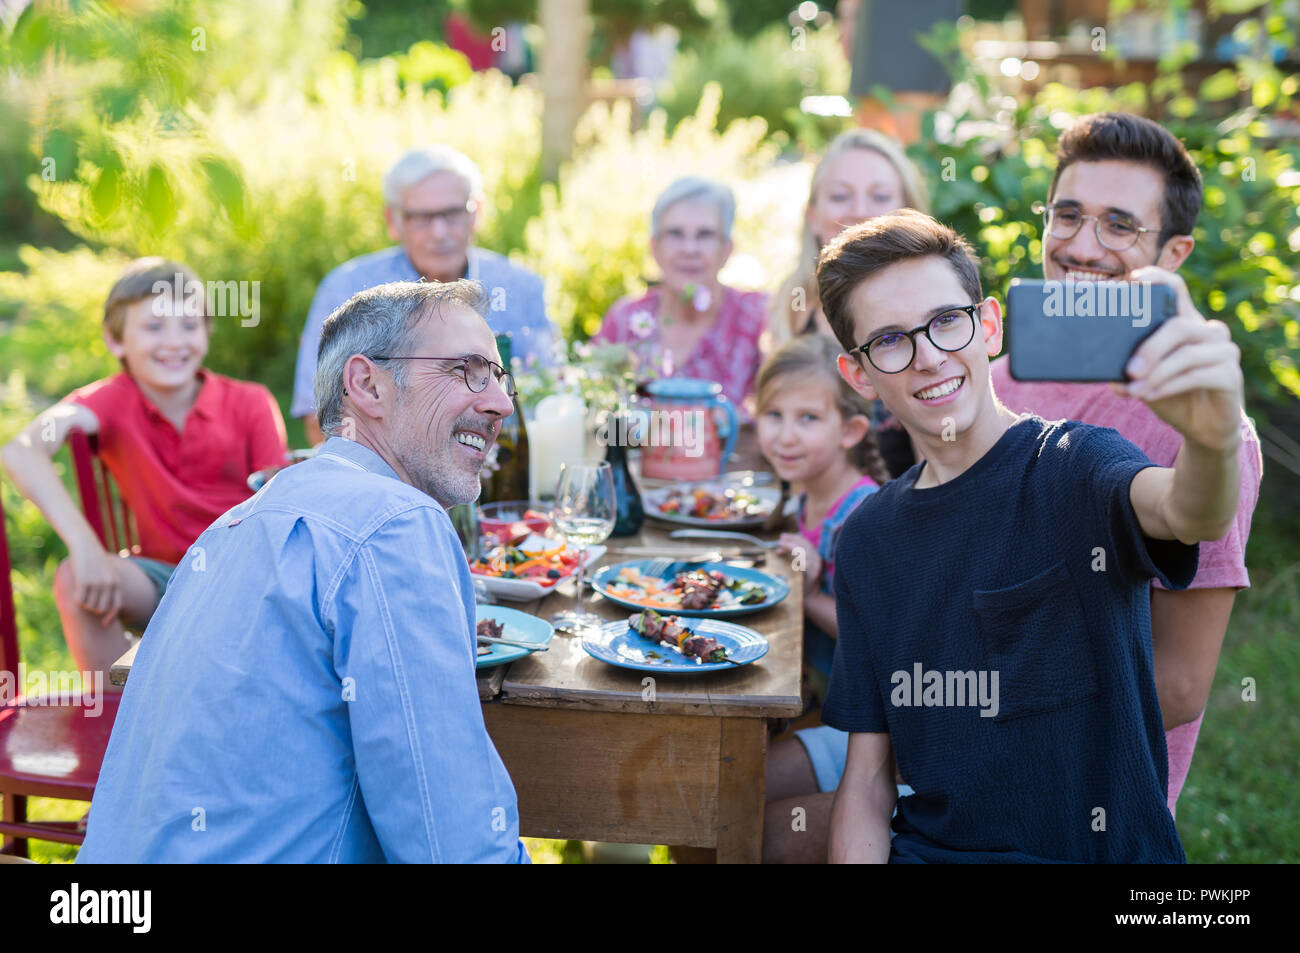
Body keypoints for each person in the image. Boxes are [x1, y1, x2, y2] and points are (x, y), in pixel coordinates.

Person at [819, 210, 1243, 862]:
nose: (929, 356)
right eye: (890, 341)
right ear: (858, 375)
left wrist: (1212, 441)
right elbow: (869, 781)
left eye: (945, 322)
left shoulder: (1076, 464)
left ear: (987, 325)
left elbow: (1189, 512)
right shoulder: (869, 538)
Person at [77, 280, 529, 863]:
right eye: (466, 371)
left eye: (498, 376)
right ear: (367, 384)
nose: (501, 402)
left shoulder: (236, 523)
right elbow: (451, 843)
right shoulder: (396, 521)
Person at [990, 112, 1264, 818]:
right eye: (1068, 215)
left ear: (1173, 254)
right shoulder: (996, 375)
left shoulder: (1209, 431)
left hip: (1078, 788)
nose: (1082, 246)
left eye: (1119, 226)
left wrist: (972, 704)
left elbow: (1177, 686)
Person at [1, 258, 288, 687]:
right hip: (164, 581)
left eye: (189, 326)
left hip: (247, 578)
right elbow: (21, 450)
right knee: (76, 579)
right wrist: (85, 546)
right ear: (116, 341)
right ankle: (115, 726)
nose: (174, 341)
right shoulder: (109, 401)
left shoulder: (250, 402)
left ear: (207, 334)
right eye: (154, 327)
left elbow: (283, 504)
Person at [292, 145, 554, 444]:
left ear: (477, 213)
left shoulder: (521, 288)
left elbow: (547, 399)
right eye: (421, 217)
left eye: (453, 213)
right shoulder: (346, 289)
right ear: (393, 221)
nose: (440, 232)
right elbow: (320, 417)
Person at [751, 335, 896, 863]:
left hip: (874, 735)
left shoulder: (864, 516)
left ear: (852, 430)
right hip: (821, 710)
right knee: (707, 787)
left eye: (808, 418)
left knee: (724, 795)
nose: (785, 435)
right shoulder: (806, 498)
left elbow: (885, 639)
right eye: (773, 414)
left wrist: (808, 595)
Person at [767, 129, 930, 476]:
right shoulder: (794, 309)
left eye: (880, 195)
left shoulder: (932, 314)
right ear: (813, 216)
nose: (858, 211)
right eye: (841, 196)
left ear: (909, 212)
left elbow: (939, 468)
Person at [592, 176, 767, 413]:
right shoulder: (625, 319)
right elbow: (594, 405)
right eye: (675, 234)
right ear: (654, 248)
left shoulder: (758, 318)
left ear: (727, 249)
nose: (689, 249)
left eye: (704, 235)